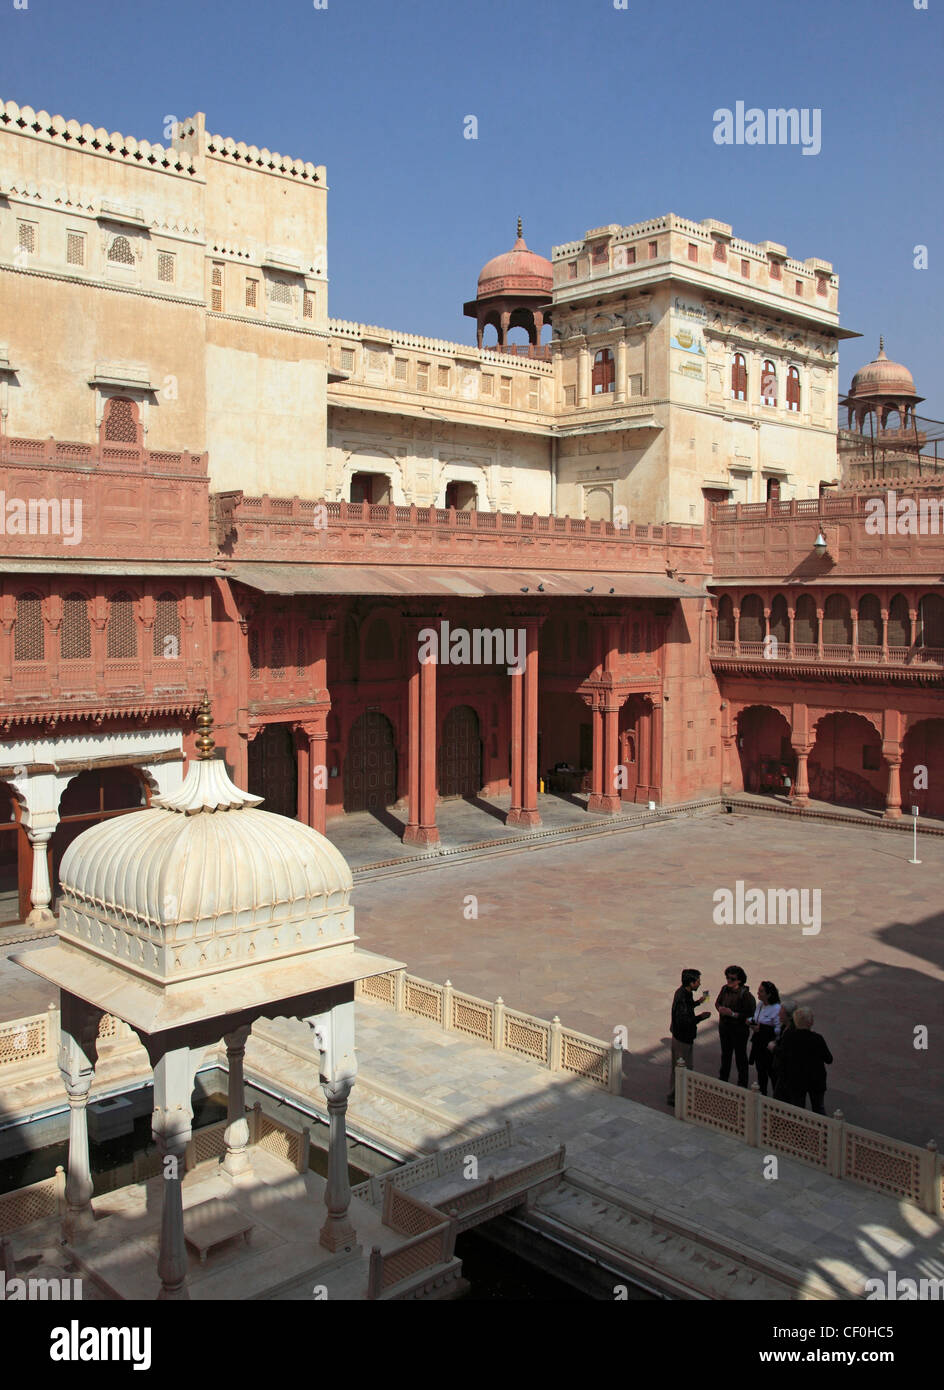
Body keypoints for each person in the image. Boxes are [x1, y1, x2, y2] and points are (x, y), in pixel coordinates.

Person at [774, 1007, 833, 1113]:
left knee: (798, 1109)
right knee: (818, 1108)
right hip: (816, 1079)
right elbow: (829, 1059)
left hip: (797, 1079)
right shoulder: (817, 1038)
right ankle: (820, 1128)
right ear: (810, 1022)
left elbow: (783, 1054)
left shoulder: (789, 1036)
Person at [667, 968, 711, 1105]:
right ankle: (676, 1097)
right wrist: (700, 1018)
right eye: (697, 981)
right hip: (682, 1038)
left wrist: (698, 1002)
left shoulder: (684, 993)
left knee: (680, 1067)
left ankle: (678, 1095)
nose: (699, 984)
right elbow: (684, 1020)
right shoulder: (682, 996)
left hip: (681, 1036)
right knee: (682, 1068)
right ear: (691, 983)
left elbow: (687, 1008)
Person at [715, 965, 756, 1087]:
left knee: (740, 1057)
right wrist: (720, 1008)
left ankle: (742, 1083)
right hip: (725, 1028)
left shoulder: (746, 996)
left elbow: (750, 1014)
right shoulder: (724, 989)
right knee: (725, 1055)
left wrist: (733, 1014)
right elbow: (718, 1002)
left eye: (732, 979)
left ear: (739, 980)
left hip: (739, 1031)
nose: (728, 981)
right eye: (727, 978)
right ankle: (723, 1079)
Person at [748, 981, 781, 1095]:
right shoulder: (760, 1005)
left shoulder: (776, 1008)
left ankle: (777, 1098)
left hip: (769, 1046)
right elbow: (756, 1018)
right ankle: (762, 1095)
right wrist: (750, 1021)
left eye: (761, 991)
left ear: (769, 994)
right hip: (758, 1044)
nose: (758, 993)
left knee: (772, 1073)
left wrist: (761, 1029)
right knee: (761, 1072)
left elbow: (778, 1029)